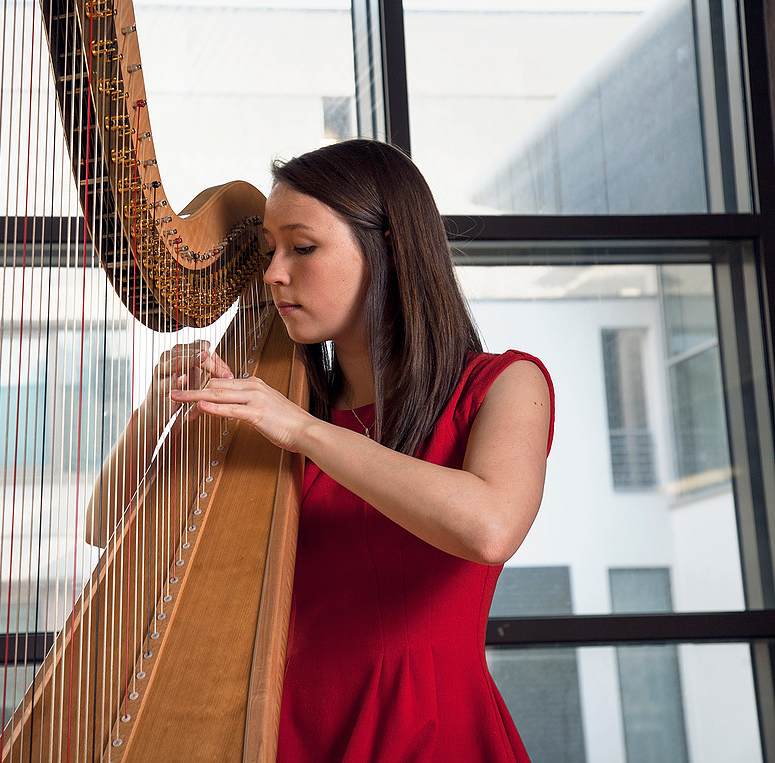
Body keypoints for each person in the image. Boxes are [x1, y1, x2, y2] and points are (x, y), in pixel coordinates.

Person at [166, 139, 554, 762]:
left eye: (303, 247)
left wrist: (305, 432)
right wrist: (161, 410)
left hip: (431, 732)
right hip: (284, 736)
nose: (272, 275)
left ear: (389, 252)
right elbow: (105, 524)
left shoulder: (504, 385)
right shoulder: (278, 404)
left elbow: (489, 528)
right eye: (269, 252)